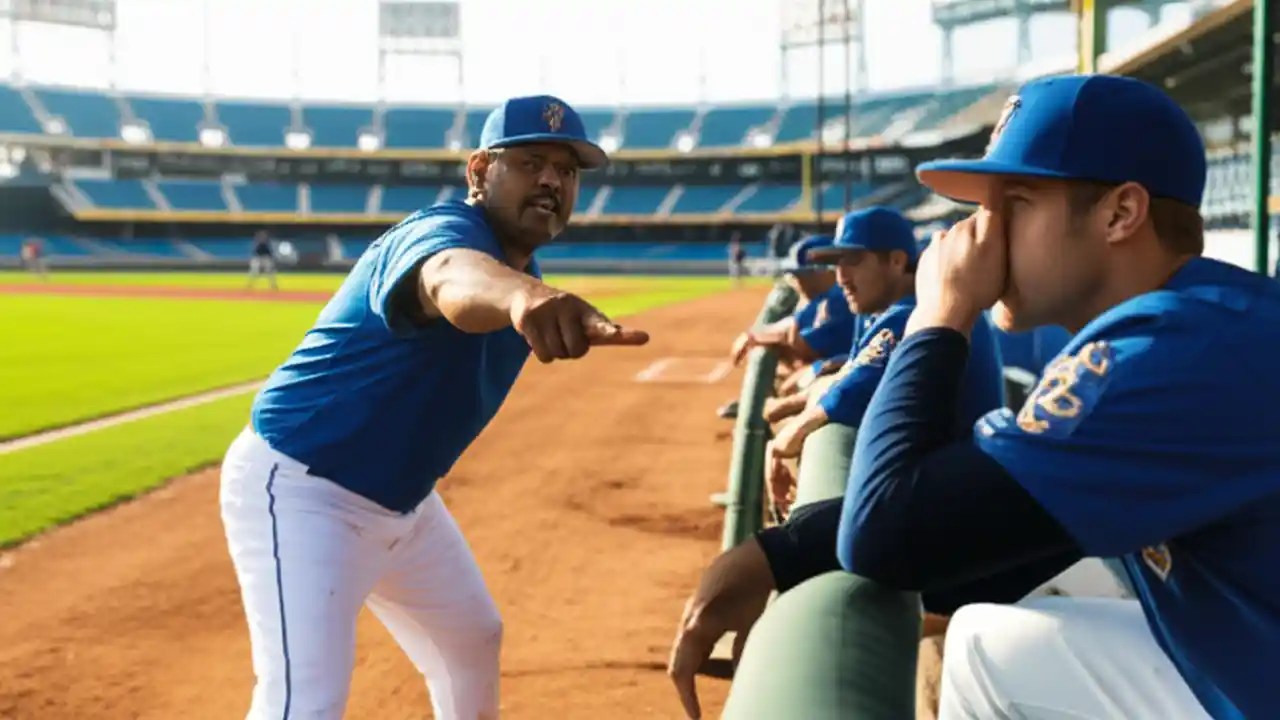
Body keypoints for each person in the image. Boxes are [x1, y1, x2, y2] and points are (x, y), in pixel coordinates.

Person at [667, 74, 1279, 720]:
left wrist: (940, 313)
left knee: (987, 652)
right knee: (1000, 631)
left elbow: (887, 535)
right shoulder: (1205, 322)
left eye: (1012, 203)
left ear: (1120, 214)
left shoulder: (1175, 349)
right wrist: (781, 551)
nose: (977, 234)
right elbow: (996, 545)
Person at [219, 95, 647, 720]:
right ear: (478, 172)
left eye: (568, 170)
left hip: (403, 502)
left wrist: (521, 288)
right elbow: (449, 278)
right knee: (303, 701)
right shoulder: (442, 235)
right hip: (304, 488)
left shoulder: (516, 265)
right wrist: (522, 297)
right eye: (531, 162)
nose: (553, 180)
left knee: (471, 640)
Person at [760, 207, 1005, 515]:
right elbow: (851, 372)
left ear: (897, 261)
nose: (841, 277)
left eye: (853, 260)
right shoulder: (884, 306)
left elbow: (857, 386)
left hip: (963, 507)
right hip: (945, 488)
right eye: (837, 263)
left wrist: (790, 434)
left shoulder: (919, 309)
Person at [718, 234, 858, 419]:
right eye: (793, 275)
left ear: (824, 272)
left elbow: (800, 342)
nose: (797, 282)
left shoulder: (836, 299)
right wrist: (756, 336)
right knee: (787, 371)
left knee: (789, 382)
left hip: (848, 373)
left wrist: (757, 337)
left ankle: (756, 411)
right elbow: (792, 326)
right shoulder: (822, 298)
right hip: (840, 366)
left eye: (801, 275)